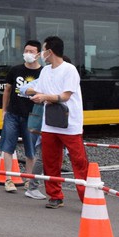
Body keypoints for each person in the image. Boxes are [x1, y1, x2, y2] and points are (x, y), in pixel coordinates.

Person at [28, 36, 88, 209]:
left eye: (43, 49)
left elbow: (65, 96)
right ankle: (55, 196)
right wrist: (30, 92)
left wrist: (44, 97)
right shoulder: (46, 71)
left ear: (50, 52)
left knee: (78, 162)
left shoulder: (70, 70)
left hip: (70, 124)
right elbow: (40, 89)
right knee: (50, 161)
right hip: (50, 123)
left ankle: (87, 198)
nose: (41, 54)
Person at [0, 40, 41, 193]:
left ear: (38, 54)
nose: (28, 54)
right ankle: (9, 179)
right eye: (26, 51)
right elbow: (7, 90)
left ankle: (29, 180)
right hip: (13, 113)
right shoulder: (15, 70)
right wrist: (4, 110)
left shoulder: (43, 72)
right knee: (8, 147)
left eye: (31, 51)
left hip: (32, 116)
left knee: (31, 151)